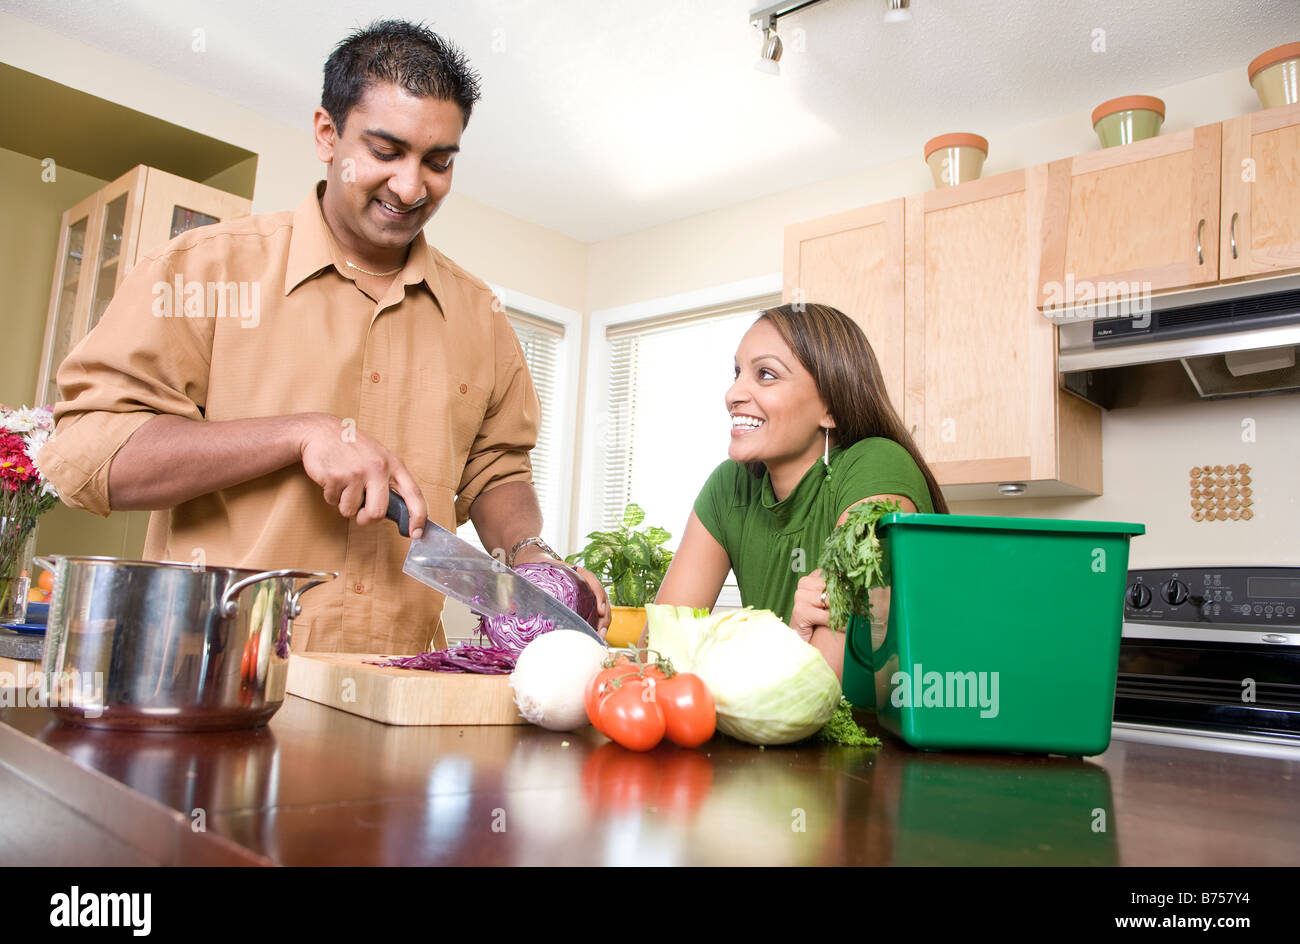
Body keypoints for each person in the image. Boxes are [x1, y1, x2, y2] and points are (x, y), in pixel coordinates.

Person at [36, 20, 610, 654]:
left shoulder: (482, 316)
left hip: (399, 689)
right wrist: (298, 433)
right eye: (386, 151)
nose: (411, 186)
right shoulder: (202, 270)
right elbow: (89, 455)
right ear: (327, 133)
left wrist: (529, 556)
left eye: (438, 162)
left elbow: (495, 468)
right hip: (214, 679)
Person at [654, 302, 948, 679]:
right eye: (737, 372)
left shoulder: (875, 465)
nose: (732, 394)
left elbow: (828, 683)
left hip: (879, 736)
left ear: (830, 408)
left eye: (765, 374)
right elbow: (660, 656)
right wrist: (793, 637)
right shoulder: (729, 487)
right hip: (773, 731)